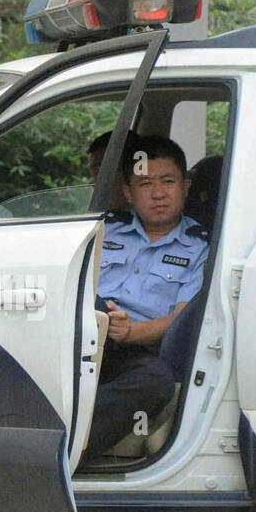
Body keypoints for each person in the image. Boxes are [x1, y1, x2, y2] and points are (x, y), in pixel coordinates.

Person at [82, 135, 208, 461]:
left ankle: (70, 445)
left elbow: (181, 320)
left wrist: (130, 332)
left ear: (186, 186)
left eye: (168, 181)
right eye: (145, 183)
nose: (158, 193)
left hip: (136, 352)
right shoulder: (102, 230)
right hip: (81, 337)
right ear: (127, 192)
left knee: (156, 382)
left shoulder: (201, 247)